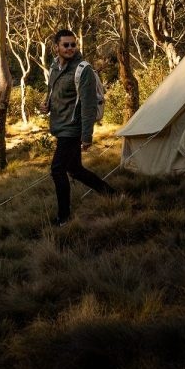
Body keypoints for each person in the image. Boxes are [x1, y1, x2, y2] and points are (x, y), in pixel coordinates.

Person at [42, 29, 116, 225]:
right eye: (65, 45)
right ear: (56, 47)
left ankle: (64, 217)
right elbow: (52, 91)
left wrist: (86, 136)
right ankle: (111, 194)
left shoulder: (83, 70)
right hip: (59, 125)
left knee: (57, 170)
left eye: (73, 44)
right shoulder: (54, 66)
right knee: (75, 169)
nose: (70, 48)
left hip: (72, 128)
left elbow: (88, 105)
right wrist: (47, 105)